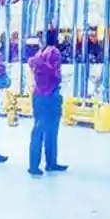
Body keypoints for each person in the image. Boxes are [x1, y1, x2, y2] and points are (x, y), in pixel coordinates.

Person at [27, 46, 69, 176]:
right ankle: (37, 165)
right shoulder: (48, 69)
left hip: (42, 99)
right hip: (48, 101)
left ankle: (48, 163)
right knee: (42, 132)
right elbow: (53, 82)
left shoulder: (39, 65)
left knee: (48, 132)